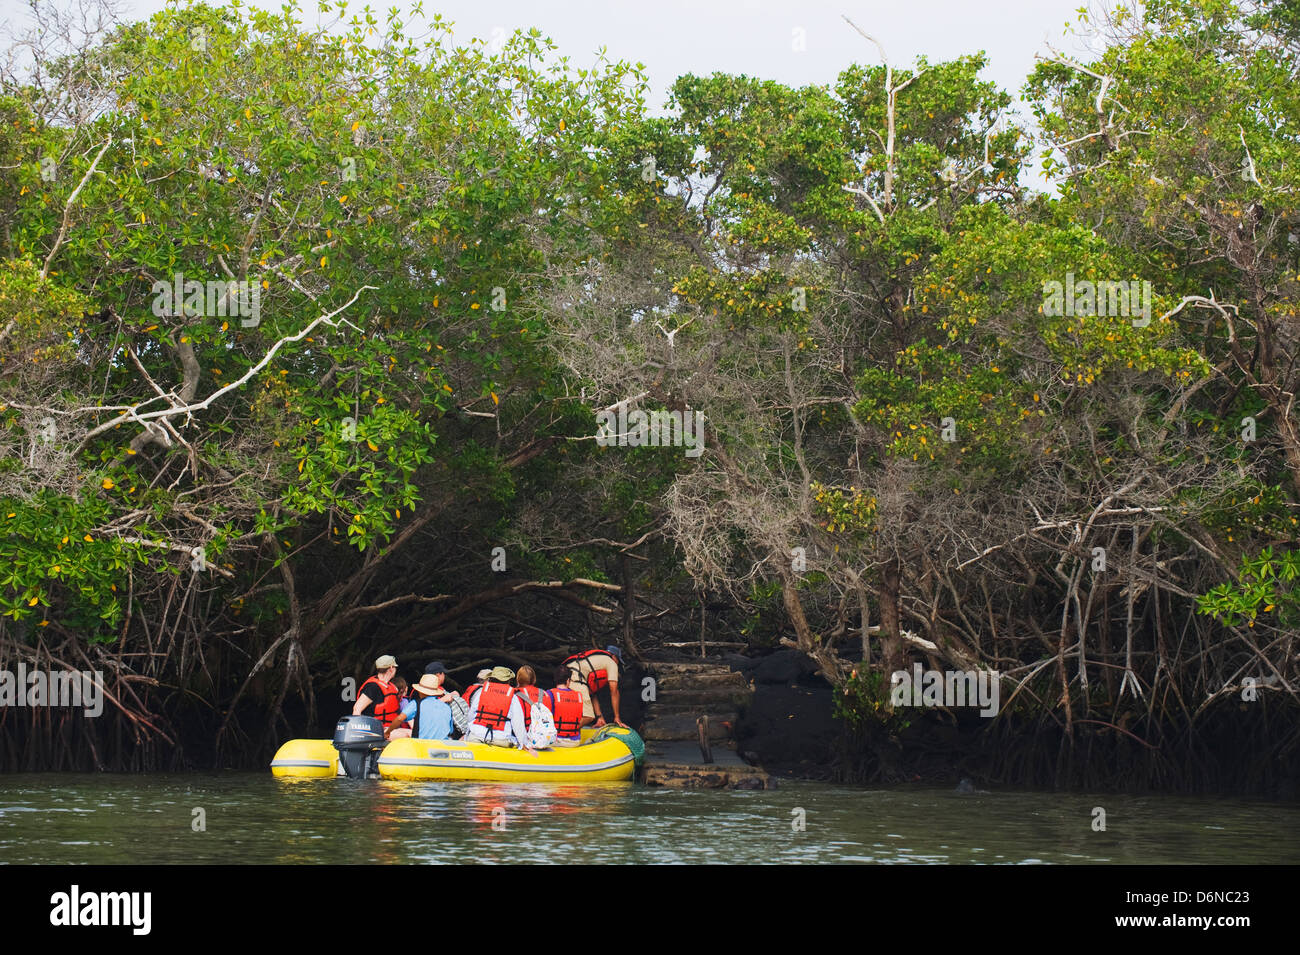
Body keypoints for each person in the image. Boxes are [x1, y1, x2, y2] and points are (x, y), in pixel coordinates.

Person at [465, 666, 534, 750]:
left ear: (491, 678)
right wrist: (524, 744)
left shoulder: (481, 692)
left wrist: (467, 734)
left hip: (476, 736)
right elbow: (518, 724)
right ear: (508, 681)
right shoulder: (512, 697)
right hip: (500, 740)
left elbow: (470, 716)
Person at [562, 645, 627, 727]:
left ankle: (565, 731)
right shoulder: (611, 662)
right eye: (618, 661)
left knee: (573, 715)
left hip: (564, 676)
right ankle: (564, 734)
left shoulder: (596, 659)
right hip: (575, 679)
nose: (617, 664)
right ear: (614, 657)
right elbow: (614, 691)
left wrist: (600, 717)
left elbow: (592, 694)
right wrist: (617, 717)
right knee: (588, 717)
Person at [392, 673, 457, 741]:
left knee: (398, 731)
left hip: (423, 743)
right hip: (442, 743)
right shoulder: (446, 707)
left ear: (420, 691)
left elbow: (402, 720)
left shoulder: (416, 704)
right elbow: (450, 730)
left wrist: (388, 731)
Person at [353, 655, 403, 733]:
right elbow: (357, 709)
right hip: (375, 730)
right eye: (395, 667)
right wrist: (359, 732)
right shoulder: (372, 687)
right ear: (391, 668)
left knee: (410, 732)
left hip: (388, 728)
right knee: (407, 734)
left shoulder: (392, 687)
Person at [550, 665, 590, 746]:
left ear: (555, 680)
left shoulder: (549, 694)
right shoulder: (578, 696)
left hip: (555, 741)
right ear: (568, 680)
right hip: (574, 742)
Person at [513, 665, 554, 735]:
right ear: (534, 679)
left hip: (526, 736)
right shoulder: (545, 694)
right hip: (543, 737)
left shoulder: (515, 694)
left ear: (518, 679)